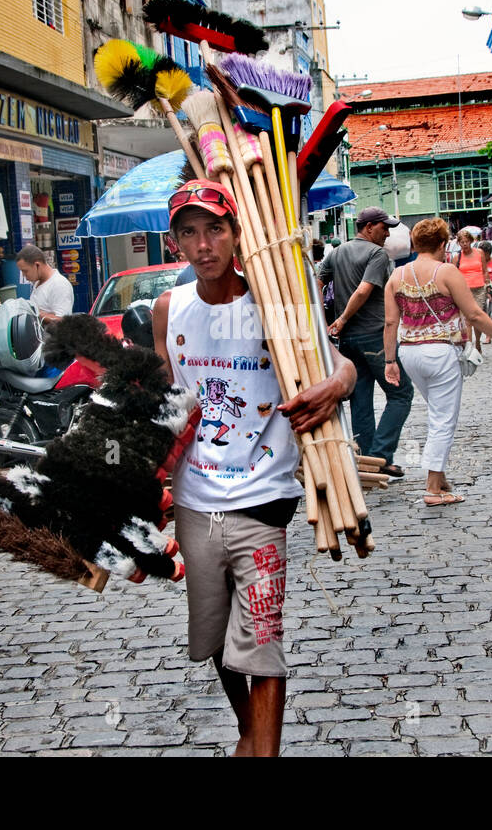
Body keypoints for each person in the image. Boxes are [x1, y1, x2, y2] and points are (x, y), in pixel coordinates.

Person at [151, 179, 356, 757]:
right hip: (194, 498)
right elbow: (166, 405)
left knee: (261, 634)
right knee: (216, 638)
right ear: (175, 243)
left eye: (215, 229)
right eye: (188, 233)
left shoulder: (277, 302)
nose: (203, 244)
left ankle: (265, 751)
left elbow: (342, 366)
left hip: (263, 495)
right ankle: (250, 733)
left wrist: (335, 387)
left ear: (238, 234)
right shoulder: (169, 309)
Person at [383, 217, 492, 506]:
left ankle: (440, 479)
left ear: (416, 244)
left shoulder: (397, 276)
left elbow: (391, 322)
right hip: (440, 351)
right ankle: (433, 489)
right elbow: (475, 315)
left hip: (409, 352)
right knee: (443, 420)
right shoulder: (447, 272)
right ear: (443, 244)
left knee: (437, 412)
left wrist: (390, 360)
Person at [318, 206, 414, 480]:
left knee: (360, 399)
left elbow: (317, 281)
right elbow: (364, 289)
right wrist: (343, 318)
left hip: (347, 340)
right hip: (372, 334)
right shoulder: (377, 254)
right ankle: (381, 456)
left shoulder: (336, 253)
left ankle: (365, 460)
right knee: (401, 393)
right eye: (384, 228)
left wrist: (323, 318)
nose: (387, 234)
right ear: (369, 227)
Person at [15, 244, 74, 323]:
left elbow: (63, 321)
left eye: (25, 271)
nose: (23, 275)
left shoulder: (59, 284)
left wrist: (35, 313)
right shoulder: (37, 283)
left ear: (37, 265)